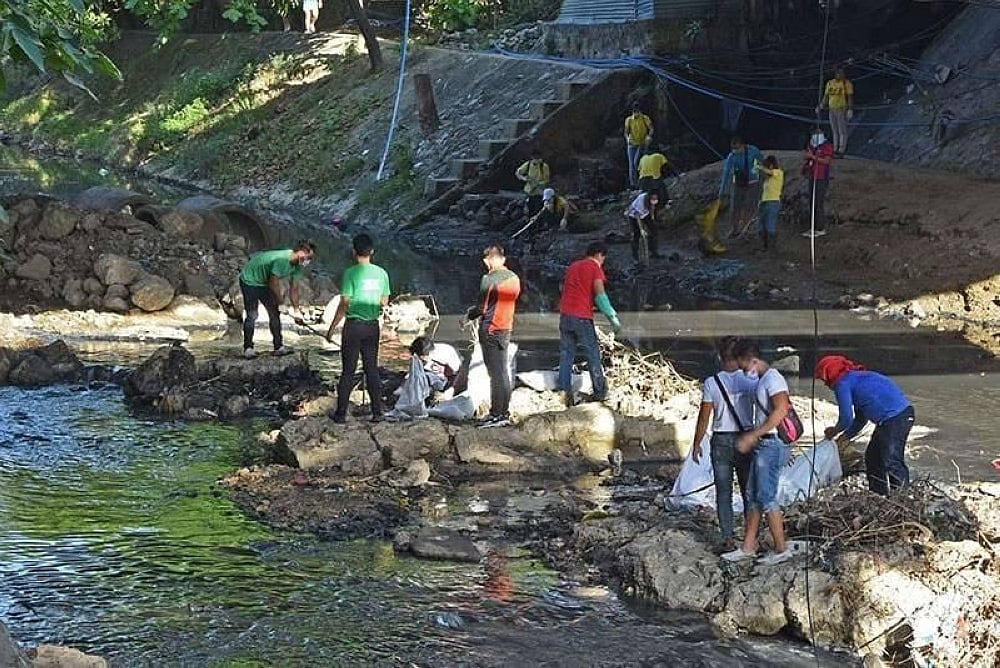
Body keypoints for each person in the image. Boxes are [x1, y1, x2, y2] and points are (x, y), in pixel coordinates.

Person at [723, 340, 794, 566]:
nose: (745, 373)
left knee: (766, 496)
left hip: (771, 445)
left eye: (745, 368)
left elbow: (782, 409)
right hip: (764, 444)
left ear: (754, 361)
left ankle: (782, 549)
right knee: (752, 495)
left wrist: (754, 434)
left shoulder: (773, 379)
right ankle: (748, 547)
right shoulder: (764, 379)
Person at [815, 355, 915, 496]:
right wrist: (845, 436)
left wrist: (835, 431)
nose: (825, 384)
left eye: (823, 378)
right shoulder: (855, 378)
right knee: (873, 458)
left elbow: (847, 418)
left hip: (895, 418)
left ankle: (902, 496)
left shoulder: (842, 383)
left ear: (830, 373)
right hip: (896, 417)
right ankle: (878, 495)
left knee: (891, 459)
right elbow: (860, 419)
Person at [691, 336, 755, 551]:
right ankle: (750, 536)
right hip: (745, 438)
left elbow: (704, 416)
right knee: (748, 490)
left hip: (721, 439)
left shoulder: (712, 382)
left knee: (723, 491)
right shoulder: (750, 379)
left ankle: (728, 537)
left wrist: (697, 442)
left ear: (720, 357)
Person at [325, 233, 391, 424]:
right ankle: (377, 413)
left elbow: (344, 302)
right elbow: (384, 300)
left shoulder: (350, 273)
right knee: (372, 369)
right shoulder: (382, 273)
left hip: (353, 327)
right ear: (372, 252)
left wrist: (331, 329)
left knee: (348, 371)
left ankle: (341, 415)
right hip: (372, 327)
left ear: (354, 252)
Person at [557, 242, 621, 406]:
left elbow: (571, 289)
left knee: (566, 354)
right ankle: (600, 392)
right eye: (603, 258)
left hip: (565, 315)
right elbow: (600, 294)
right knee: (592, 354)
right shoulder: (594, 267)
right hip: (581, 317)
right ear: (599, 255)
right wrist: (612, 317)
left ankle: (563, 390)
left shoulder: (573, 266)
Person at [464, 245, 521, 428]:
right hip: (506, 328)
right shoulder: (514, 278)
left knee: (495, 374)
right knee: (503, 372)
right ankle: (504, 412)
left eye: (486, 260)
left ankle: (496, 414)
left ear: (489, 259)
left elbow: (481, 308)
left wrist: (468, 316)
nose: (485, 263)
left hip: (490, 329)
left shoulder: (489, 279)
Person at [238, 240, 316, 359]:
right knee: (252, 314)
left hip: (264, 282)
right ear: (301, 252)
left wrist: (296, 311)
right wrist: (281, 303)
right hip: (250, 280)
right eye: (308, 257)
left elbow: (294, 288)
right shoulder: (282, 260)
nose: (308, 261)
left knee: (274, 313)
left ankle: (278, 347)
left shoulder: (298, 266)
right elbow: (273, 283)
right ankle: (248, 348)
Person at [718, 136, 764, 239]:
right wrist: (722, 191)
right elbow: (726, 173)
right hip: (738, 183)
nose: (735, 151)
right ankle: (734, 229)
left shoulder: (753, 151)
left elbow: (762, 161)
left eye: (737, 148)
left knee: (749, 205)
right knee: (735, 206)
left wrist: (761, 177)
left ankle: (745, 229)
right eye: (733, 149)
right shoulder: (732, 156)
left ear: (743, 145)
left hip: (752, 182)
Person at [802, 128, 835, 238]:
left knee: (818, 202)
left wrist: (813, 157)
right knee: (811, 202)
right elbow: (806, 157)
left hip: (821, 177)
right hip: (812, 176)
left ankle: (820, 228)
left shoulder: (827, 146)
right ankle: (813, 226)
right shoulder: (811, 145)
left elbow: (827, 161)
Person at [818, 66, 854, 155]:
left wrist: (850, 109)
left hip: (841, 109)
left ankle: (841, 150)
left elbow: (849, 97)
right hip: (831, 109)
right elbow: (826, 96)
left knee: (842, 130)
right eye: (838, 73)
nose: (840, 74)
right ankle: (834, 149)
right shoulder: (830, 83)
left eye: (842, 73)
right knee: (834, 130)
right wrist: (821, 105)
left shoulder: (846, 84)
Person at [624, 190, 661, 264]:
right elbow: (638, 216)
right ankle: (635, 257)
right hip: (634, 216)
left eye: (656, 199)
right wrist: (641, 229)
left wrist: (652, 217)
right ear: (649, 197)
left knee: (654, 230)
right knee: (636, 235)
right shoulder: (641, 201)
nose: (655, 200)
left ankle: (653, 251)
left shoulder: (652, 200)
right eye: (653, 199)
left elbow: (652, 206)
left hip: (645, 214)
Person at [756, 155, 784, 251]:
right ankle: (764, 246)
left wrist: (760, 167)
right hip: (764, 202)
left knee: (770, 224)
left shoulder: (778, 173)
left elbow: (769, 172)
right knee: (761, 225)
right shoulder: (767, 180)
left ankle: (771, 248)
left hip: (773, 203)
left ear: (771, 166)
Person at [624, 103, 653, 187]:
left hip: (642, 143)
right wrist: (627, 138)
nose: (636, 112)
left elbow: (651, 128)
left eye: (637, 111)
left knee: (636, 162)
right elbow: (626, 132)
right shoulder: (628, 120)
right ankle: (633, 184)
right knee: (631, 165)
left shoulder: (644, 118)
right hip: (632, 144)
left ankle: (643, 180)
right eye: (634, 111)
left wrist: (649, 136)